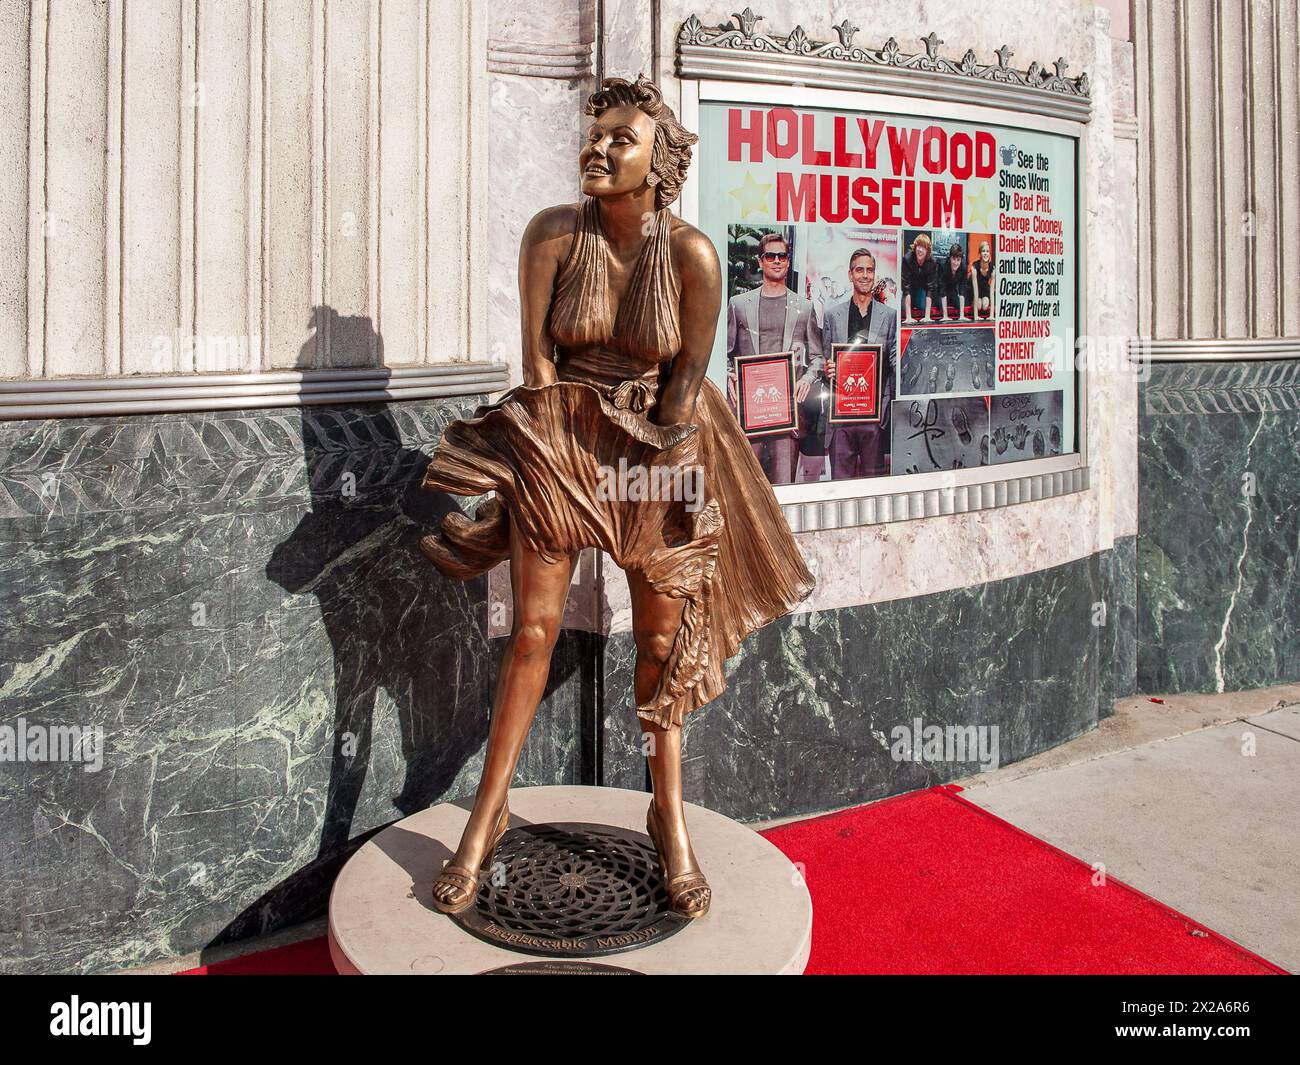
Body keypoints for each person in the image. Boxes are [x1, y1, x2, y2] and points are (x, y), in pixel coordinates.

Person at [418, 77, 815, 920]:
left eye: (618, 139)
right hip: (563, 434)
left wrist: (637, 485)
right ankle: (487, 818)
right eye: (592, 135)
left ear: (658, 163)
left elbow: (681, 394)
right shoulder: (554, 237)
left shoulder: (693, 257)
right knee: (530, 629)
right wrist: (553, 469)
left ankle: (666, 815)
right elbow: (538, 370)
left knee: (661, 642)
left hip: (659, 447)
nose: (595, 149)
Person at [725, 233, 822, 484]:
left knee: (784, 486)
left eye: (782, 256)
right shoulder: (738, 305)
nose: (776, 260)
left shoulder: (805, 307)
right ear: (761, 261)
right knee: (748, 489)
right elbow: (723, 355)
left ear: (788, 262)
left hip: (787, 415)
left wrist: (808, 379)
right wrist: (729, 375)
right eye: (770, 256)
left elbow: (818, 358)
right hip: (749, 414)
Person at [810, 248, 899, 479]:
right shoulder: (832, 315)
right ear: (850, 275)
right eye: (859, 270)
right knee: (841, 484)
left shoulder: (889, 316)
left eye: (870, 270)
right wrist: (826, 369)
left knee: (873, 487)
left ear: (875, 274)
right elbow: (823, 359)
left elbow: (893, 361)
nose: (865, 275)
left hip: (874, 415)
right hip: (841, 416)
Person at [900, 233, 936, 322]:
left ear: (927, 251)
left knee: (922, 306)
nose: (920, 250)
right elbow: (906, 286)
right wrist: (908, 317)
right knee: (903, 308)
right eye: (918, 246)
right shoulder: (907, 259)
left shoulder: (932, 262)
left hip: (922, 288)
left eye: (923, 248)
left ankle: (916, 302)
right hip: (910, 289)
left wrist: (927, 317)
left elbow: (930, 288)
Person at [936, 242, 974, 320]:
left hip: (952, 291)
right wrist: (945, 316)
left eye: (958, 260)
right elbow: (942, 288)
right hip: (940, 292)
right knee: (939, 305)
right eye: (953, 259)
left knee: (960, 304)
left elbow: (962, 289)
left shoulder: (963, 267)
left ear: (961, 260)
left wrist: (962, 316)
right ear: (950, 258)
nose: (955, 263)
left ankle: (951, 302)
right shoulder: (942, 266)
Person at [972, 239, 995, 318]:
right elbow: (975, 291)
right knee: (978, 306)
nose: (986, 253)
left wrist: (991, 316)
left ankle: (983, 301)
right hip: (974, 290)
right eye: (983, 251)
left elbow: (992, 293)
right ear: (980, 253)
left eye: (987, 251)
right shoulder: (974, 267)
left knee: (984, 306)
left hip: (985, 290)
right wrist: (976, 316)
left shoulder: (993, 269)